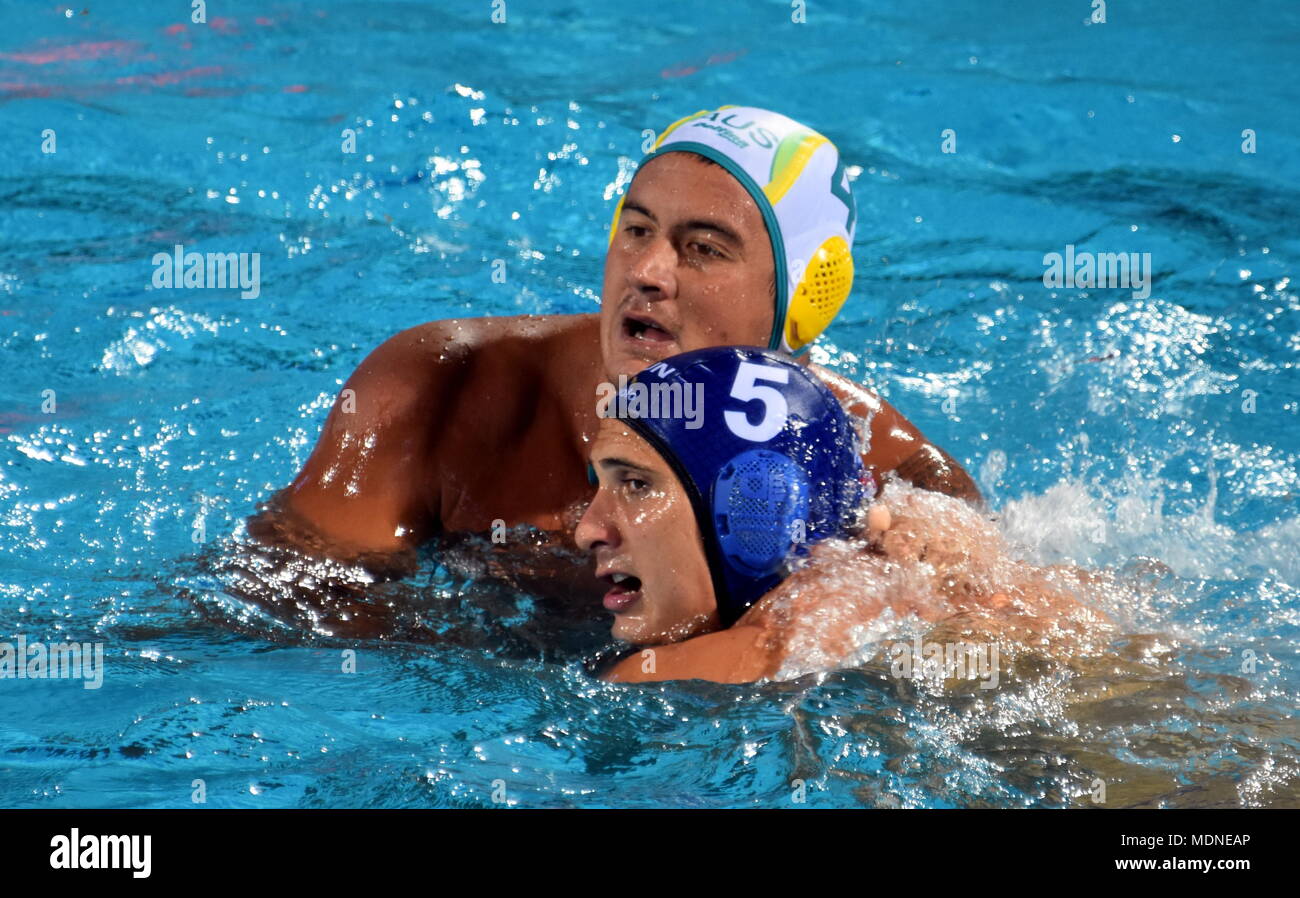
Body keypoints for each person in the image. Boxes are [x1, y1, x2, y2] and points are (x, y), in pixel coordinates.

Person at [239, 106, 982, 634]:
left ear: (801, 300)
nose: (648, 272)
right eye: (636, 230)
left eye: (705, 248)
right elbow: (282, 624)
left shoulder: (886, 472)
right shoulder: (437, 394)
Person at [580, 347, 1111, 684]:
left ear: (757, 510)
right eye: (599, 482)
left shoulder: (776, 640)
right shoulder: (906, 570)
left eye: (635, 484)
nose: (587, 530)